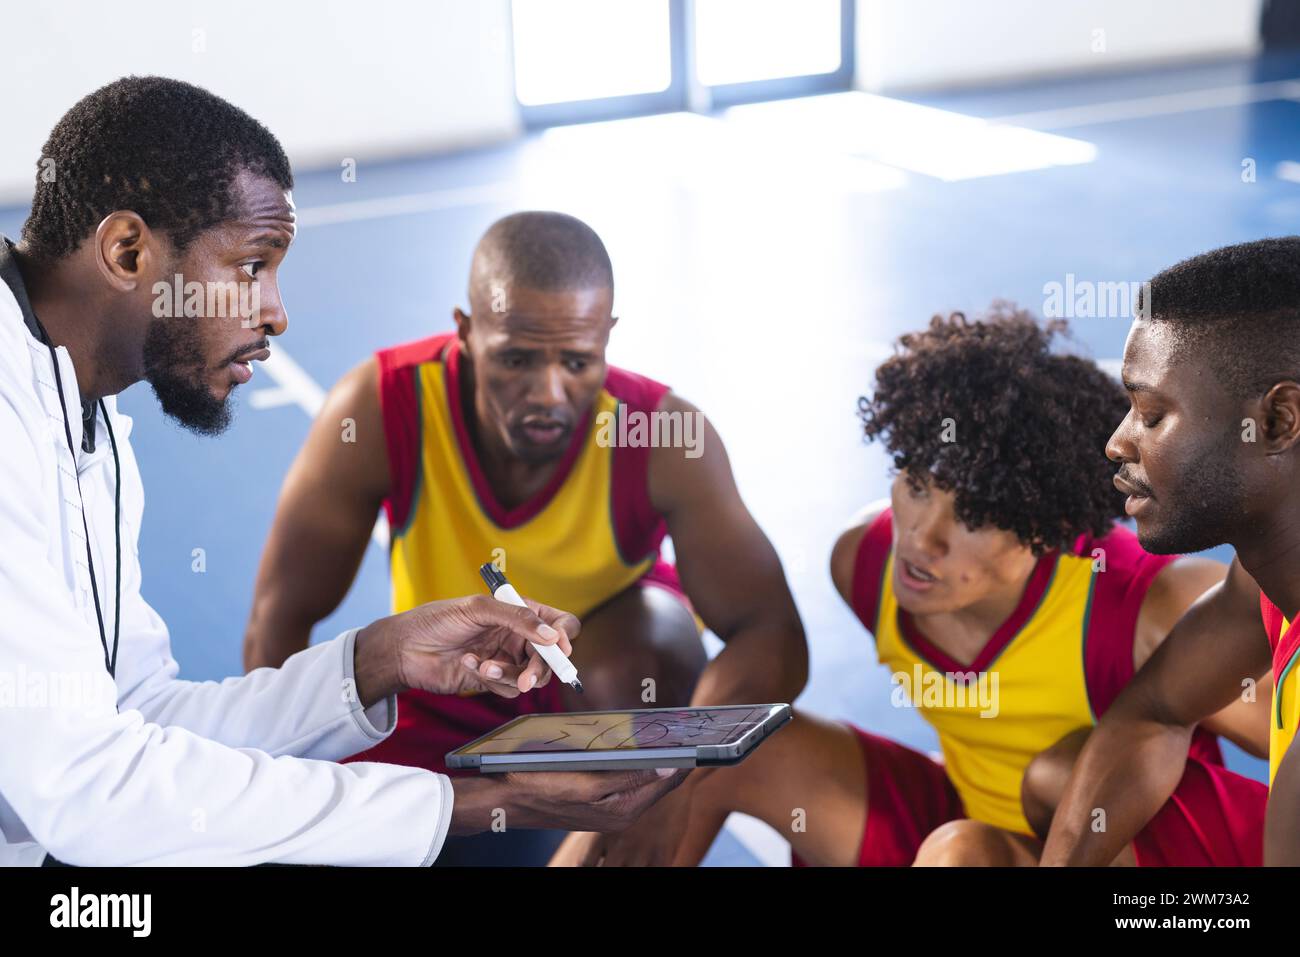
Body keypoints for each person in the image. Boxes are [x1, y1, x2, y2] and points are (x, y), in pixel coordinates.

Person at [0, 76, 683, 867]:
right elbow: (94, 793)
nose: (277, 312)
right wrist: (469, 801)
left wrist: (378, 659)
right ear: (128, 251)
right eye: (252, 265)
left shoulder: (83, 411)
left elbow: (142, 715)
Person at [244, 210, 808, 865]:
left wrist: (679, 772)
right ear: (465, 332)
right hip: (443, 686)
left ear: (608, 336)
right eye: (516, 359)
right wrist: (276, 801)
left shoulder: (660, 435)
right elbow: (277, 622)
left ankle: (617, 823)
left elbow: (773, 632)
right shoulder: (380, 406)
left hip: (592, 710)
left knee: (655, 640)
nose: (549, 394)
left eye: (577, 361)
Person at [634, 309, 1270, 867]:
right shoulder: (867, 561)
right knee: (734, 745)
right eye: (917, 486)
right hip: (966, 830)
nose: (920, 539)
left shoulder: (1156, 606)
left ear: (1046, 531)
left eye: (973, 517)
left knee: (1018, 804)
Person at [1041, 237, 1300, 866]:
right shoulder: (1267, 578)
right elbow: (1154, 709)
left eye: (1152, 415)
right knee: (1059, 777)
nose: (1116, 443)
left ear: (1277, 421)